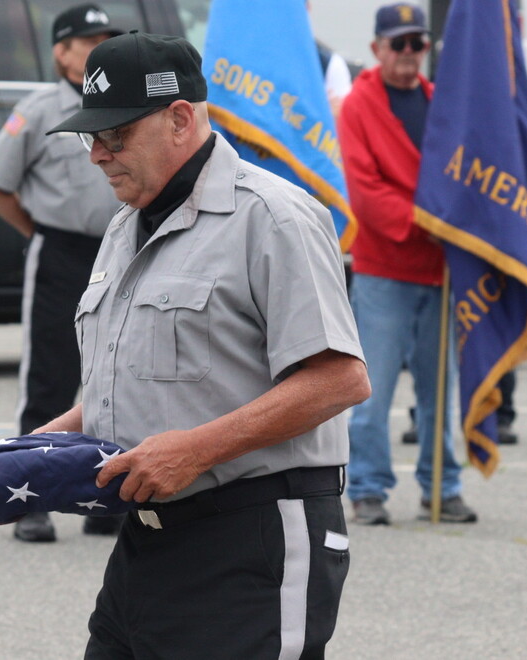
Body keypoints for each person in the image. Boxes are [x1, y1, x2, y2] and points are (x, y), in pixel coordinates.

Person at [43, 31, 371, 657]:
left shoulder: (272, 216)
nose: (98, 156)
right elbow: (143, 374)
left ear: (179, 119)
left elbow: (339, 379)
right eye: (90, 137)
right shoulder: (127, 225)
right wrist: (48, 442)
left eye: (115, 135)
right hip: (147, 539)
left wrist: (195, 451)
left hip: (250, 538)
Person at [0, 4, 123, 543]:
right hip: (60, 252)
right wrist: (35, 230)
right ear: (61, 52)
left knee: (116, 377)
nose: (99, 50)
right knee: (49, 375)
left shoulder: (125, 106)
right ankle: (29, 498)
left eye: (107, 41)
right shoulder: (38, 111)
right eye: (89, 42)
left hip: (120, 253)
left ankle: (106, 496)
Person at [337, 3, 477, 525]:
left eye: (417, 42)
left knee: (439, 391)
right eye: (398, 43)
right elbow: (365, 192)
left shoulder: (441, 102)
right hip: (385, 271)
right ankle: (368, 490)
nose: (408, 52)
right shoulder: (358, 105)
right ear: (377, 48)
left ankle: (442, 487)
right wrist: (428, 222)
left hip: (439, 270)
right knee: (370, 392)